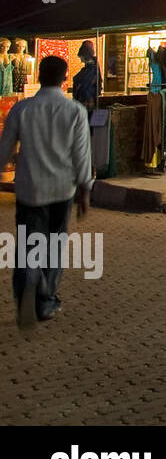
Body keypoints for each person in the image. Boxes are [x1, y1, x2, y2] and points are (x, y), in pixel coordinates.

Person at [0, 56, 93, 326]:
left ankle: (27, 298)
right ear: (65, 79)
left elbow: (5, 148)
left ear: (39, 76)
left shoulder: (22, 109)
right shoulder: (75, 111)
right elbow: (82, 155)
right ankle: (45, 301)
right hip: (62, 191)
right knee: (53, 248)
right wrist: (85, 190)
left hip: (30, 190)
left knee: (29, 250)